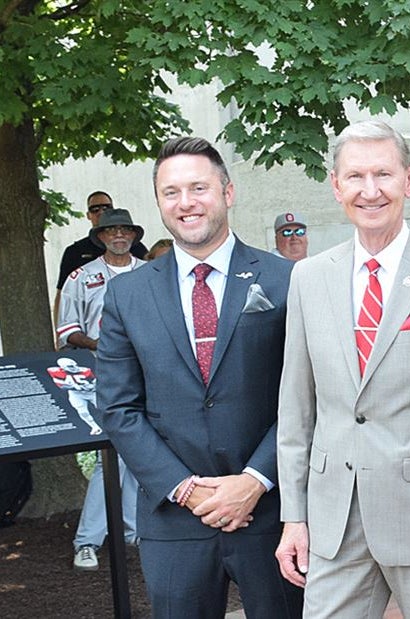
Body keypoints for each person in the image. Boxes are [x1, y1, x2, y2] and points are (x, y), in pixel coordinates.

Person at [274, 120, 410, 618]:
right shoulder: (308, 278)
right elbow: (296, 412)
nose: (369, 190)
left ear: (409, 180)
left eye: (383, 174)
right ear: (336, 186)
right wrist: (294, 517)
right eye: (355, 177)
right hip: (333, 522)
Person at [97, 137, 303, 618]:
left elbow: (307, 397)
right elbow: (117, 407)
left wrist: (254, 480)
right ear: (159, 203)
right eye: (171, 192)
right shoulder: (128, 294)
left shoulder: (287, 280)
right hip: (174, 521)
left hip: (272, 515)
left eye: (198, 188)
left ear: (228, 192)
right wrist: (186, 489)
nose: (185, 202)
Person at [56, 208, 146, 571]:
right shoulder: (81, 276)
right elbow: (67, 331)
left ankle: (132, 530)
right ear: (101, 237)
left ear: (134, 236)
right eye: (112, 231)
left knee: (138, 453)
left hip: (148, 374)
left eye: (125, 230)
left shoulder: (151, 272)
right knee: (110, 457)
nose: (119, 235)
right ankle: (87, 540)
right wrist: (100, 344)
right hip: (103, 374)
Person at [54, 191, 149, 320]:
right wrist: (59, 329)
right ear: (88, 215)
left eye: (106, 208)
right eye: (95, 209)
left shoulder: (137, 248)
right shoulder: (75, 251)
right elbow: (63, 294)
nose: (101, 212)